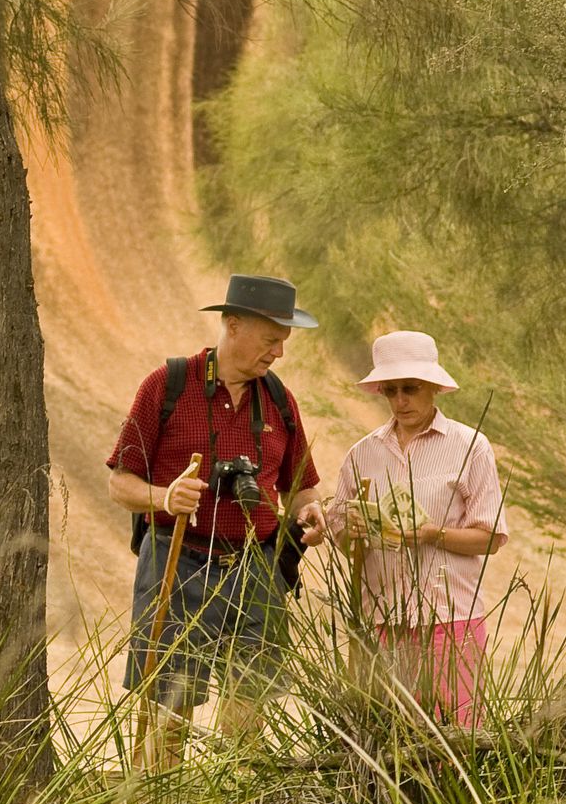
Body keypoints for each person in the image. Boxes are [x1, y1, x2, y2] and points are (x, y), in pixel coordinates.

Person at [107, 274, 326, 766]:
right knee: (167, 710)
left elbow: (301, 486)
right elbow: (120, 484)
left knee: (249, 713)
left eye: (283, 343)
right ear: (232, 324)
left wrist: (311, 511)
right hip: (175, 559)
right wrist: (165, 497)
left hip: (257, 567)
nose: (279, 354)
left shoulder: (279, 400)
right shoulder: (168, 385)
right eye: (272, 341)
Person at [329, 330, 507, 726]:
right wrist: (353, 534)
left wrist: (431, 534)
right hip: (381, 622)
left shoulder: (470, 445)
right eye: (390, 390)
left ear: (433, 388)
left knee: (458, 738)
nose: (399, 401)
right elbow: (344, 540)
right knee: (385, 737)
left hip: (450, 619)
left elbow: (491, 537)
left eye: (410, 388)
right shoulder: (362, 454)